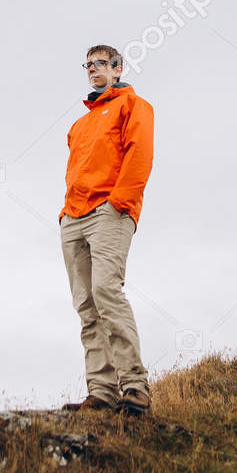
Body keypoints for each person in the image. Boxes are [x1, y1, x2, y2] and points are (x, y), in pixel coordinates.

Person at [58, 44, 155, 415]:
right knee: (85, 303)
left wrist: (119, 203)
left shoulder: (135, 106)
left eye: (101, 64)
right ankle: (101, 392)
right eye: (89, 65)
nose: (93, 70)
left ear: (118, 68)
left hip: (108, 213)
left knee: (106, 291)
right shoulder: (79, 125)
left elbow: (140, 155)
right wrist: (65, 214)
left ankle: (134, 387)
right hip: (73, 217)